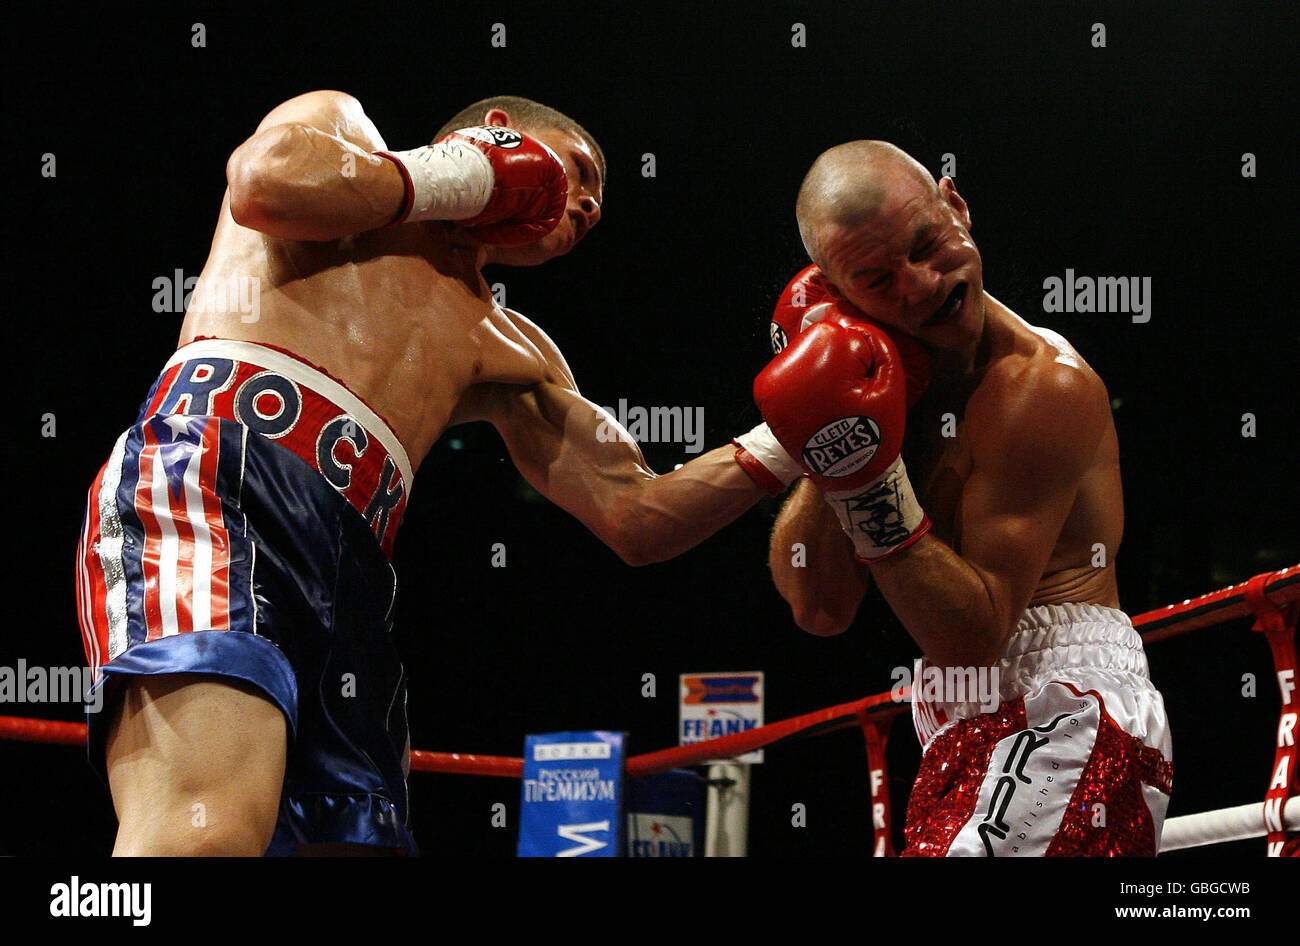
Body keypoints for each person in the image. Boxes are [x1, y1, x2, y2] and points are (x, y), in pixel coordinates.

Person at [74, 90, 807, 855]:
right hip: (223, 473)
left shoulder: (512, 348)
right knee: (204, 834)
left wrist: (793, 436)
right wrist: (469, 177)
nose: (588, 205)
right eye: (579, 172)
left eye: (596, 207)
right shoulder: (338, 131)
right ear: (495, 134)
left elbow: (637, 517)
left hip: (349, 568)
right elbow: (263, 183)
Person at [759, 140, 1172, 856]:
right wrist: (829, 441)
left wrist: (865, 474)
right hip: (959, 727)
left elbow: (974, 637)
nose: (921, 286)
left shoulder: (1040, 386)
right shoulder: (882, 386)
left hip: (1067, 709)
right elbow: (819, 608)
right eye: (878, 280)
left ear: (957, 204)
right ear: (838, 294)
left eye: (928, 245)